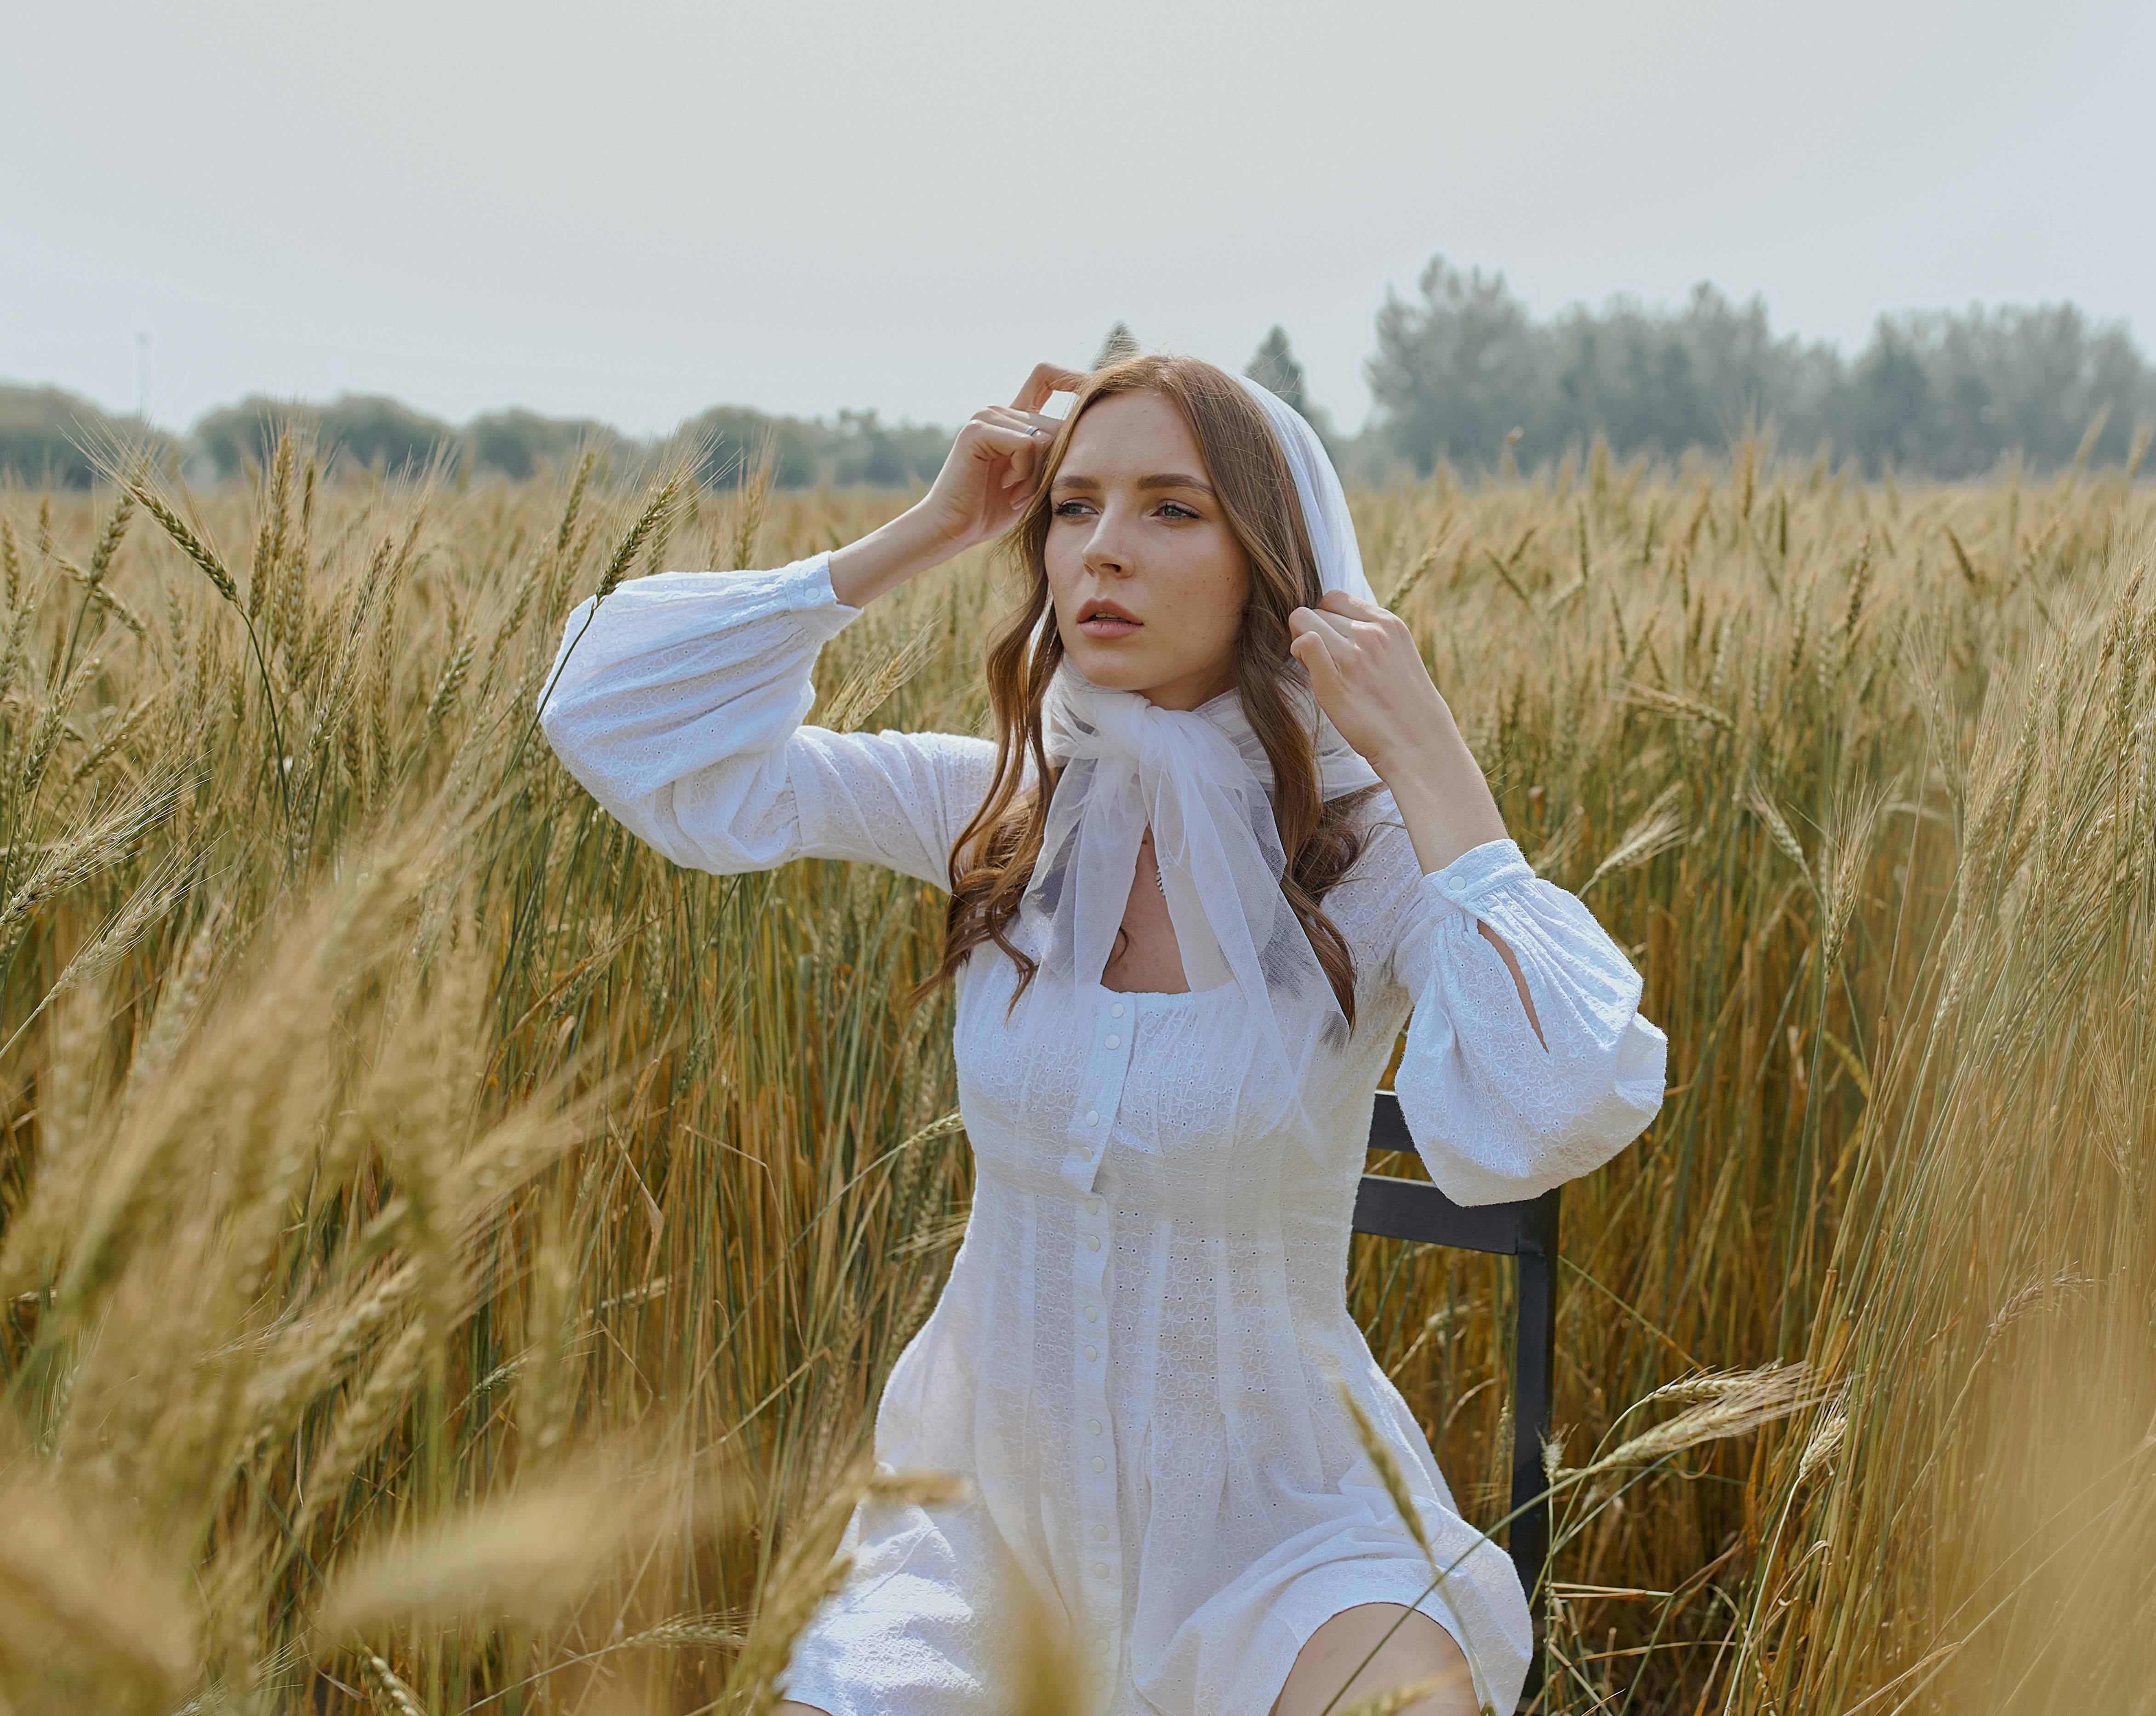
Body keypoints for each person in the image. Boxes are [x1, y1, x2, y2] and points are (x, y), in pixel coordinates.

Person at [538, 353, 1668, 1716]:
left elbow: (1561, 1099)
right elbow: (607, 714)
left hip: (1283, 1531)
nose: (1104, 553)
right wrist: (922, 535)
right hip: (983, 1527)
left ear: (1276, 562)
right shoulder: (995, 815)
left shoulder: (1363, 865)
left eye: (1171, 511)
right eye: (1073, 508)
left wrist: (1430, 760)